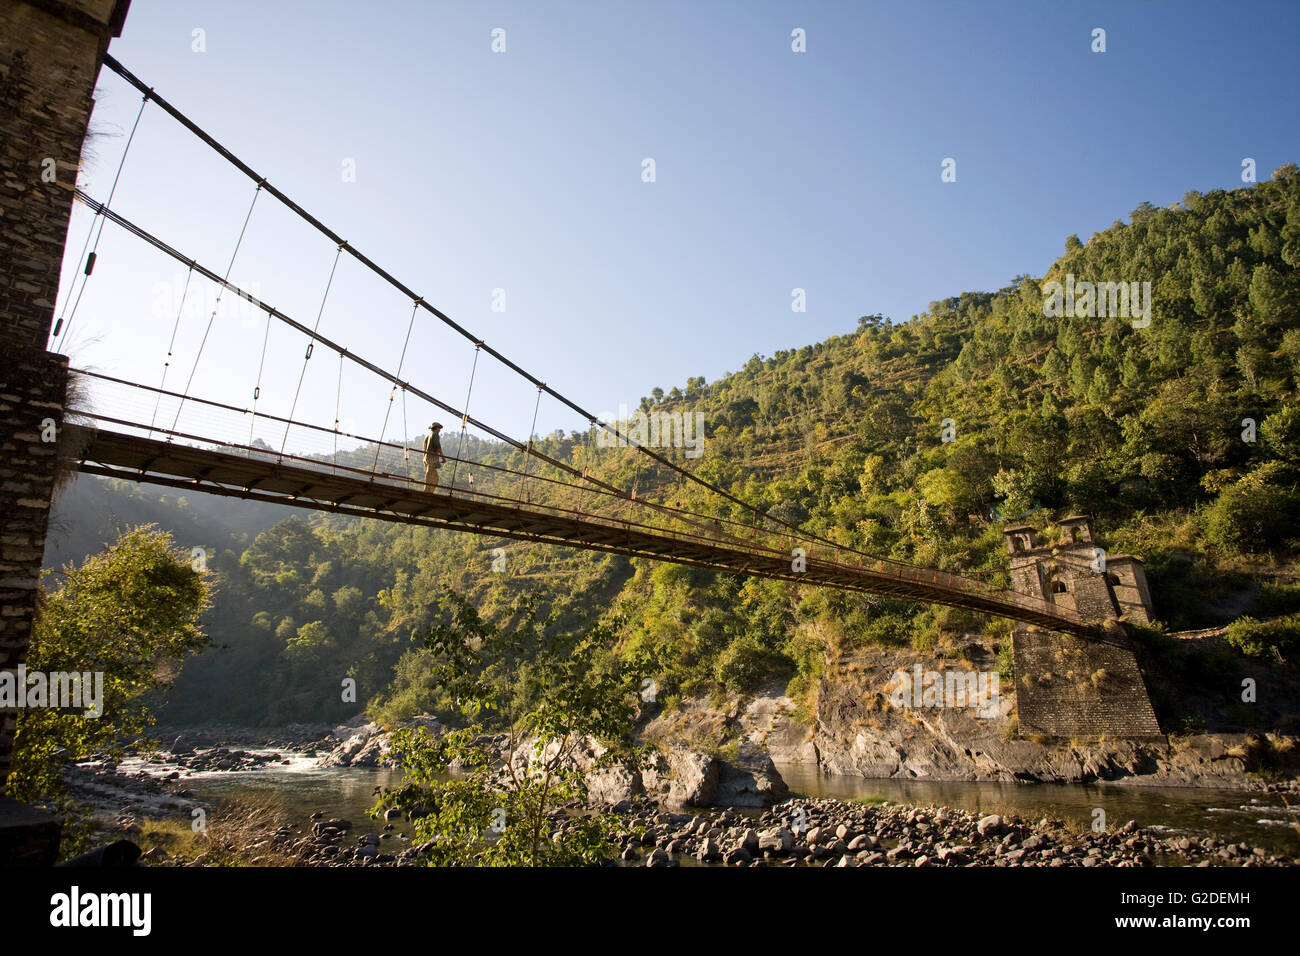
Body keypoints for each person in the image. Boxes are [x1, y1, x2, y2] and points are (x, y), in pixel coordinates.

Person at [422, 422, 447, 492]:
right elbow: (438, 448)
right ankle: (427, 492)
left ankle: (429, 491)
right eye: (439, 429)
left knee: (433, 477)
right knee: (432, 478)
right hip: (432, 459)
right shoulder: (435, 435)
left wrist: (424, 459)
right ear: (436, 428)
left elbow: (424, 448)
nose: (439, 430)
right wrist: (443, 458)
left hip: (427, 458)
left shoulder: (428, 436)